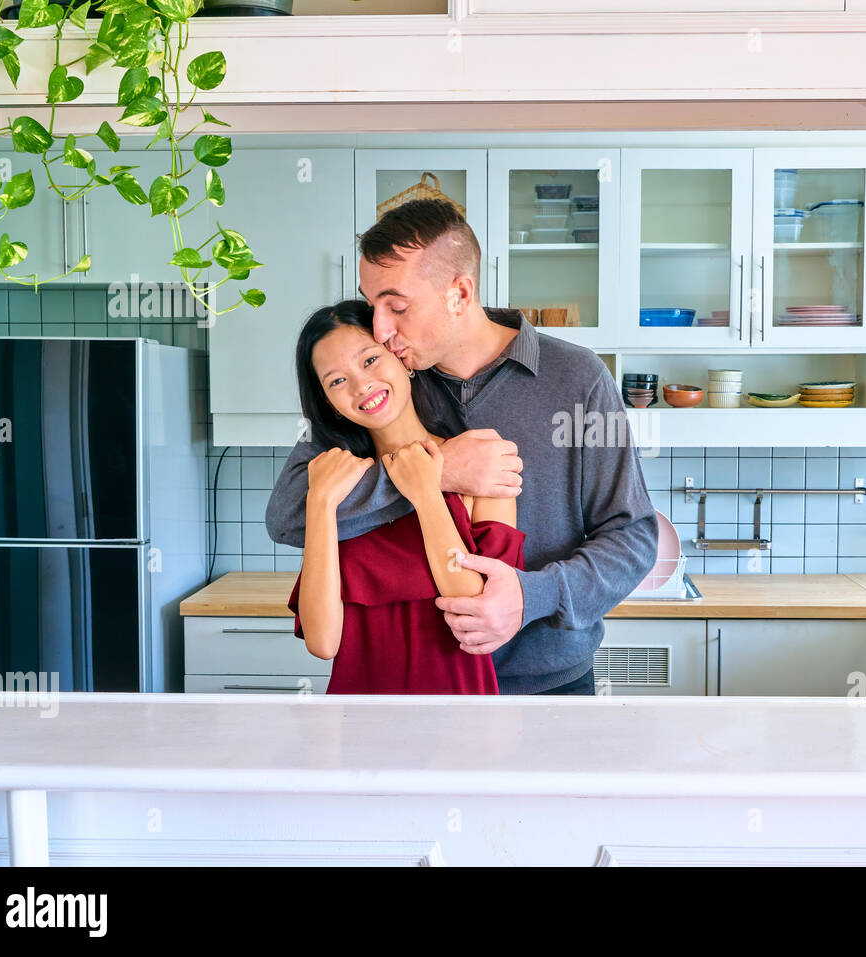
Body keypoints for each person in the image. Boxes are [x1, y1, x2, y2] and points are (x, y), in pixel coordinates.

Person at [266, 198, 657, 695]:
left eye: (398, 307)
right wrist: (439, 472)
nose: (381, 330)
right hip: (411, 687)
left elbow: (633, 536)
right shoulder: (383, 379)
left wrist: (530, 595)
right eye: (373, 306)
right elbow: (288, 515)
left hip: (547, 687)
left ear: (459, 292)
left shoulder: (577, 379)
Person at [287, 300, 524, 694]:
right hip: (357, 722)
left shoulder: (479, 464)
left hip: (461, 723)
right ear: (329, 404)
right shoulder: (342, 487)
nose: (361, 386)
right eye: (336, 381)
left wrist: (426, 493)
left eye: (369, 361)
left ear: (403, 359)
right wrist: (321, 504)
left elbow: (473, 609)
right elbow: (323, 642)